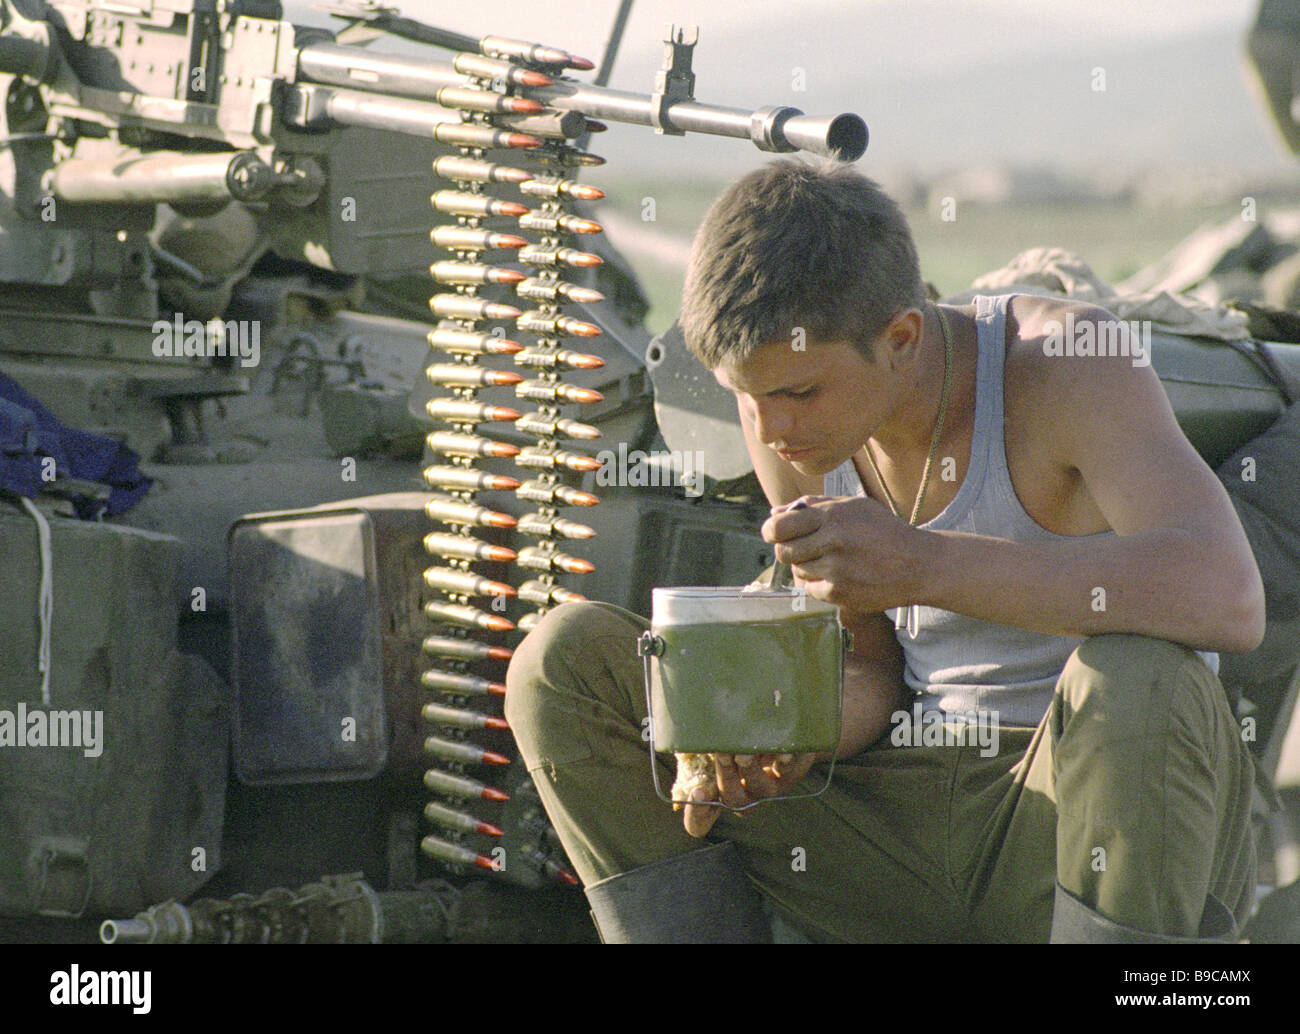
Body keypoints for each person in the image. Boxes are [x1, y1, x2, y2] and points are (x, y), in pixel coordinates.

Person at [504, 158, 1264, 943]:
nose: (770, 432)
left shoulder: (1066, 362)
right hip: (902, 818)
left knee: (1138, 675)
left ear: (901, 337)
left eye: (798, 393)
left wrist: (923, 565)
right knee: (563, 664)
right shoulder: (792, 427)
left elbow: (1227, 595)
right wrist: (777, 729)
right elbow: (872, 668)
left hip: (1085, 821)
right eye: (748, 396)